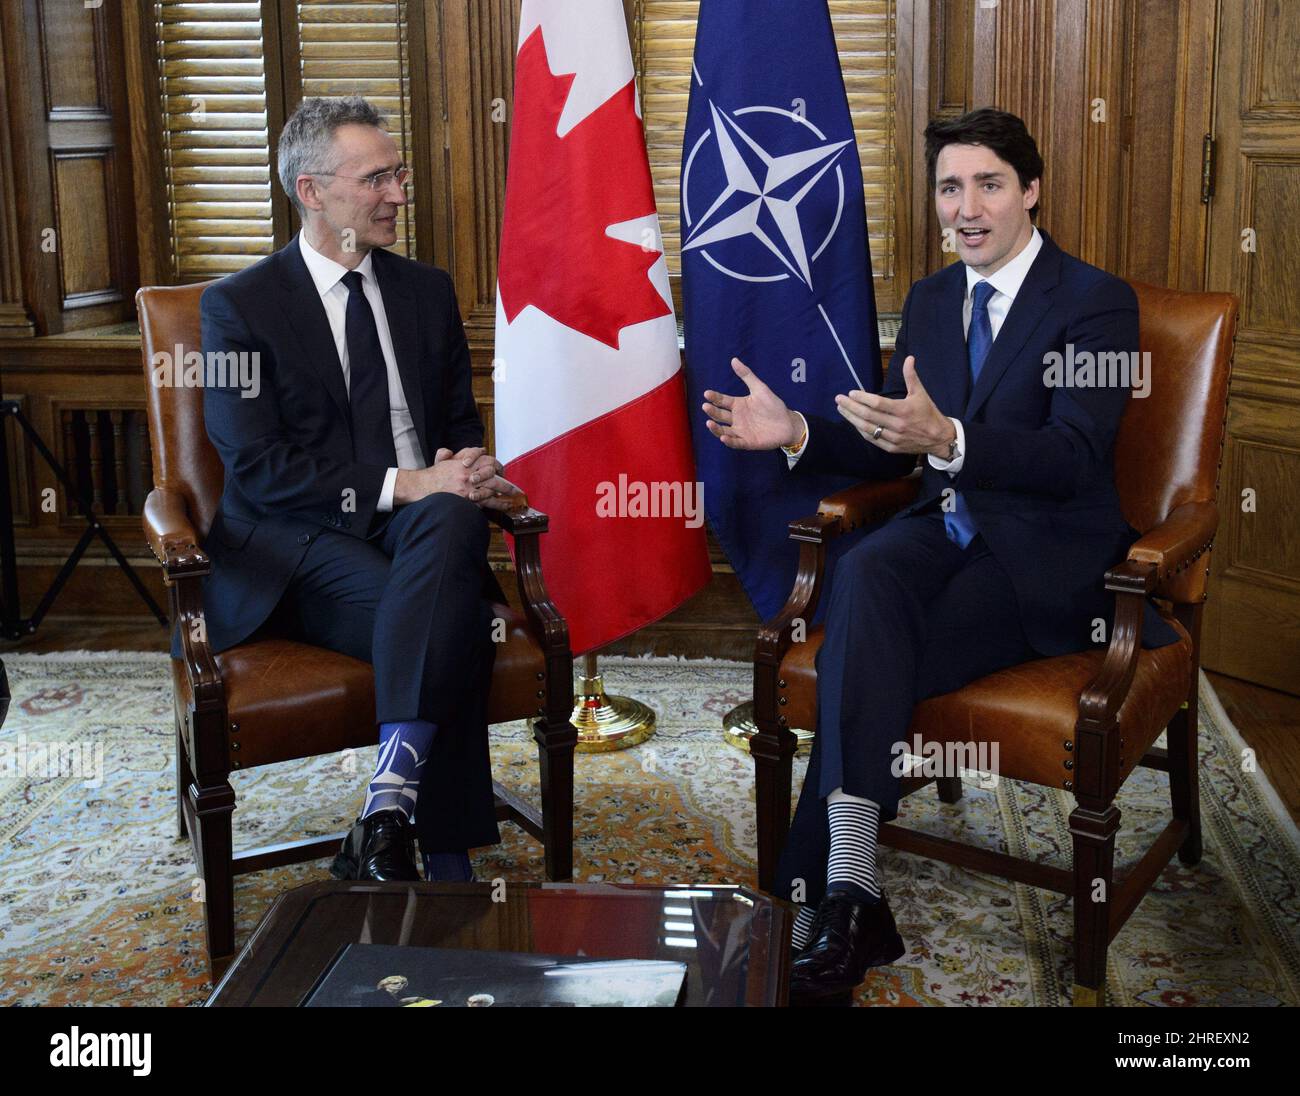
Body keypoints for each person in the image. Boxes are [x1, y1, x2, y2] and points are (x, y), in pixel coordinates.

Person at [700, 107, 1178, 1005]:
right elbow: (894, 435)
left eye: (988, 185)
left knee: (860, 646)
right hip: (943, 533)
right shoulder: (929, 299)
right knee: (870, 566)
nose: (967, 207)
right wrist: (798, 428)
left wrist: (953, 437)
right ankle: (851, 891)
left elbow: (1074, 453)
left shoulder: (1097, 303)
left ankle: (822, 895)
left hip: (1047, 559)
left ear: (1031, 192)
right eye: (950, 187)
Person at [195, 96, 522, 884]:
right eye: (377, 179)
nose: (399, 195)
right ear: (311, 192)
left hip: (419, 532)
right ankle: (443, 849)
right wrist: (411, 483)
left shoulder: (426, 292)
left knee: (446, 519)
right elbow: (256, 468)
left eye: (399, 174)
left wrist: (473, 470)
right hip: (295, 545)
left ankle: (387, 811)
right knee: (455, 615)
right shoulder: (236, 307)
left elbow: (456, 426)